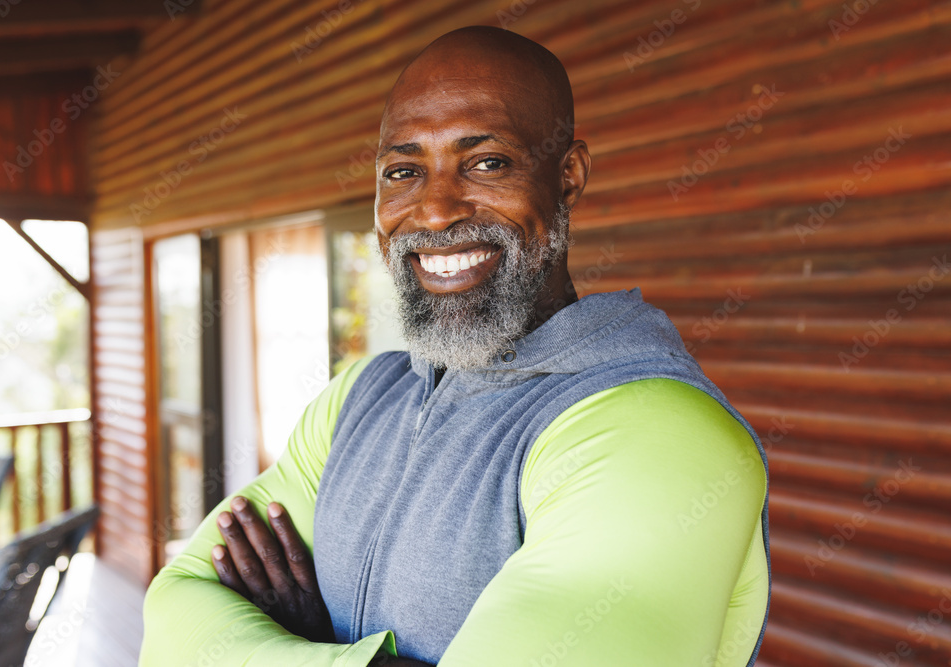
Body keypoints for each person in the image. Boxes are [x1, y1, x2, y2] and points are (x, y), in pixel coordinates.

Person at [139, 26, 770, 667]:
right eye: (404, 171)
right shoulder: (359, 397)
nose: (436, 211)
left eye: (487, 163)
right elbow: (173, 613)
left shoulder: (656, 432)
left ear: (568, 176)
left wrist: (312, 643)